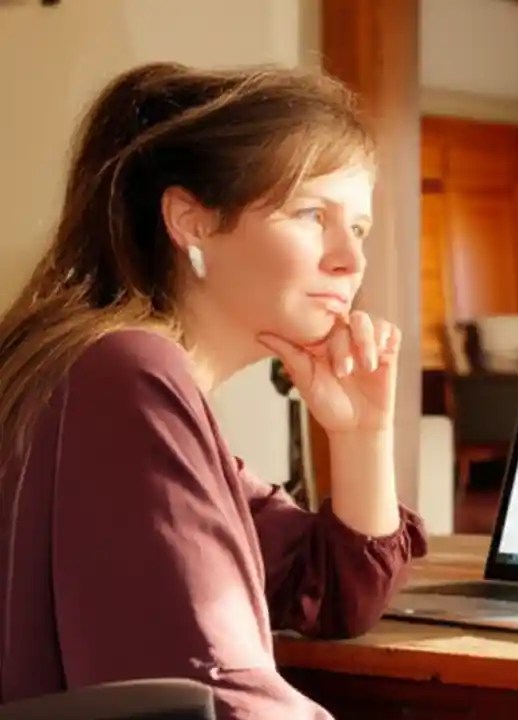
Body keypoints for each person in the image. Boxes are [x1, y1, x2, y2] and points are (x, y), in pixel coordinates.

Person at [0, 62, 428, 718]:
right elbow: (213, 688)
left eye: (360, 227)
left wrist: (361, 433)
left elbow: (336, 594)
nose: (351, 259)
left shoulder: (108, 368)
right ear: (191, 222)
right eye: (314, 214)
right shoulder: (127, 373)